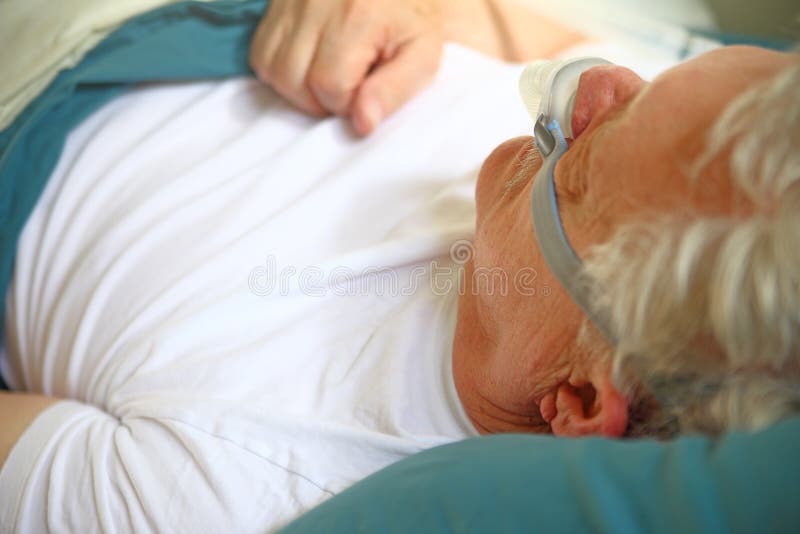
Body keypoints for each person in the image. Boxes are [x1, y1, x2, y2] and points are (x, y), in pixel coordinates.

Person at [1, 1, 799, 531]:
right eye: (649, 86)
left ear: (579, 395)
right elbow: (519, 30)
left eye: (586, 161)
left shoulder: (240, 484)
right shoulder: (686, 168)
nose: (593, 82)